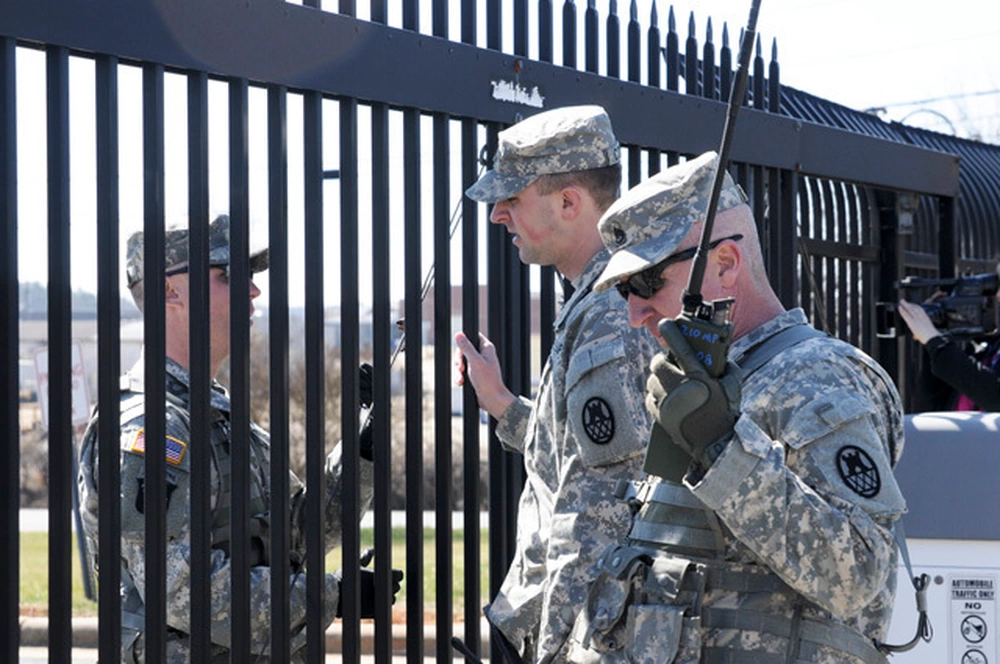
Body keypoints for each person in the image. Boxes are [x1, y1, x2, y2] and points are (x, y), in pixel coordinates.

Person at [566, 152, 908, 663]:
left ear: (725, 264)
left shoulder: (817, 376)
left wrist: (723, 450)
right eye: (623, 291)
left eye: (647, 283)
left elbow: (859, 574)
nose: (635, 312)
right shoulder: (701, 383)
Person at [77, 214, 399, 663]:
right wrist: (329, 595)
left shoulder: (216, 413)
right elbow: (179, 588)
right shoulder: (151, 426)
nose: (253, 290)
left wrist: (359, 450)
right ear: (169, 291)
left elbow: (293, 532)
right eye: (228, 276)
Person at [453, 105, 659, 663]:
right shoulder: (597, 303)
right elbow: (578, 455)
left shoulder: (610, 314)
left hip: (584, 633)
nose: (497, 215)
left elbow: (596, 513)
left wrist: (552, 648)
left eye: (513, 199)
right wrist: (503, 406)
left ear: (570, 203)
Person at [898, 285, 1000, 411]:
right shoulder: (990, 341)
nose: (998, 295)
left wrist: (934, 341)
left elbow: (995, 398)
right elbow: (932, 404)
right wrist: (935, 332)